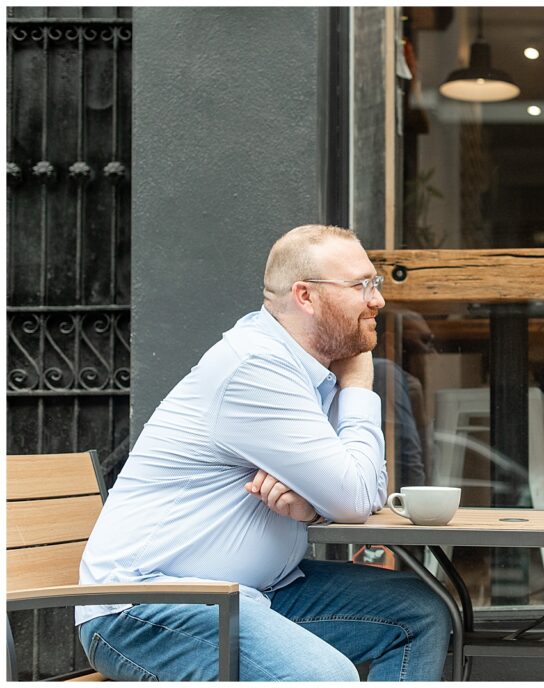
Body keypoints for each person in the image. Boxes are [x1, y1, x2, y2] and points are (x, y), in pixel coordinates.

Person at [76, 224, 451, 681]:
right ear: (305, 296)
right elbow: (355, 497)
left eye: (374, 283)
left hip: (254, 592)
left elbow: (363, 488)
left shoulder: (306, 370)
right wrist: (357, 387)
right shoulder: (255, 367)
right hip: (151, 606)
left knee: (419, 611)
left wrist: (314, 507)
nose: (378, 300)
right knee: (325, 677)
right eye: (361, 286)